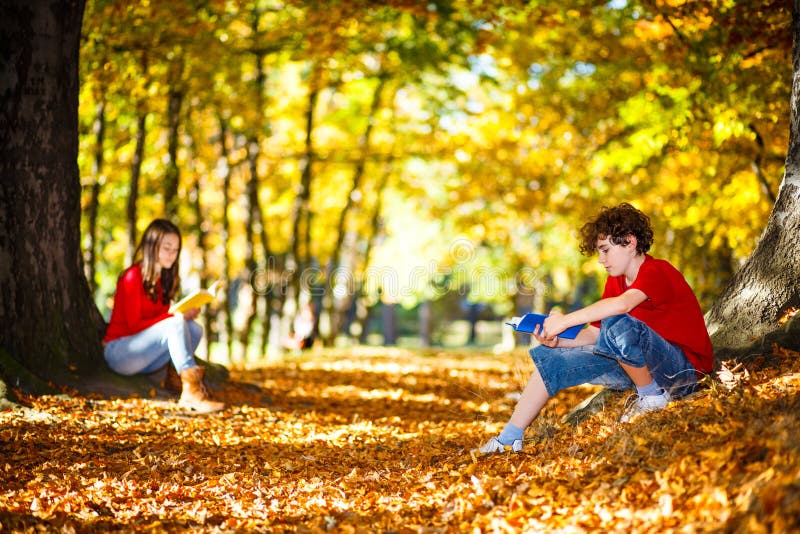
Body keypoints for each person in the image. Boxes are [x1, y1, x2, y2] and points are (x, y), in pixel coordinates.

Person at [477, 203, 713, 454]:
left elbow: (621, 307)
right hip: (641, 367)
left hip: (682, 372)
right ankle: (509, 438)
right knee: (551, 358)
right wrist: (559, 340)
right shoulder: (616, 281)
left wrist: (565, 320)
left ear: (630, 242)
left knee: (615, 319)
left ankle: (652, 399)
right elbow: (597, 333)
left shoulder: (657, 270)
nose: (601, 260)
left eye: (605, 250)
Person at [103, 218, 224, 413]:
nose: (172, 254)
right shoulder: (132, 276)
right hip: (120, 353)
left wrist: (184, 314)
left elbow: (161, 322)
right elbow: (134, 325)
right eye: (167, 248)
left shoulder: (162, 281)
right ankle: (192, 393)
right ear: (152, 246)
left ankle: (176, 381)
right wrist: (175, 317)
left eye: (175, 250)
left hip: (145, 358)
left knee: (194, 328)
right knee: (176, 322)